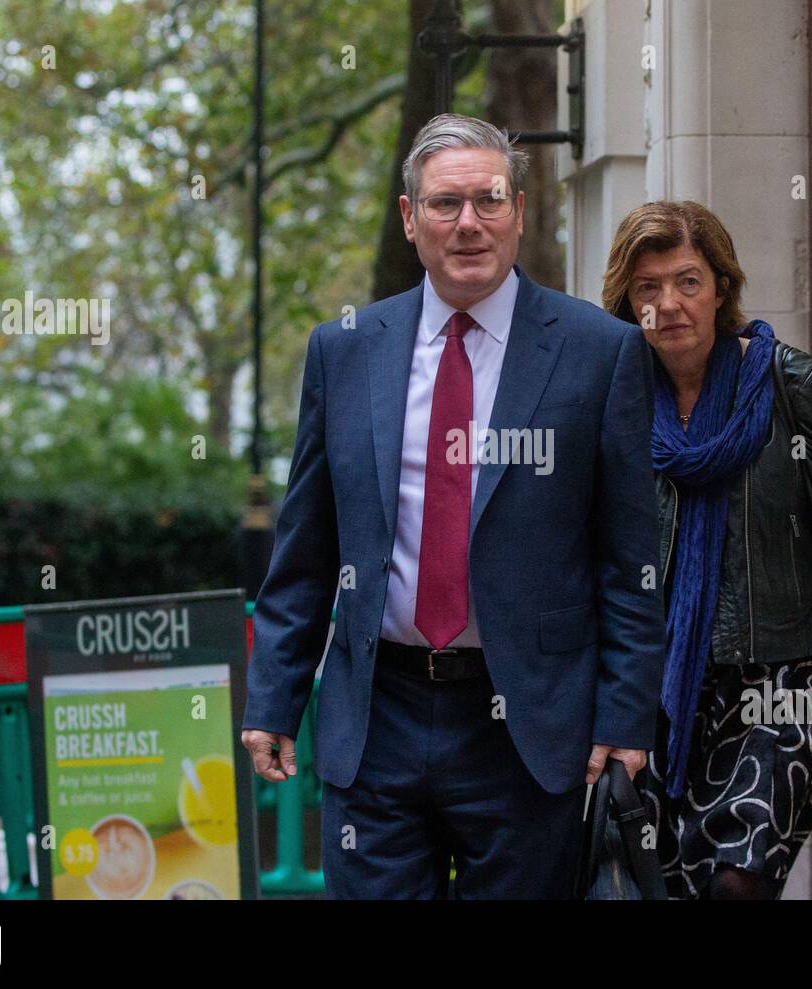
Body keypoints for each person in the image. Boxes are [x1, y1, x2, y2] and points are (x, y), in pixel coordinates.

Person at [240, 114, 666, 899]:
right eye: (445, 204)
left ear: (520, 211)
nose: (468, 222)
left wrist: (625, 719)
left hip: (529, 727)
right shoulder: (345, 348)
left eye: (488, 200)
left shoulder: (599, 351)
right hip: (376, 717)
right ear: (410, 219)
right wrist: (272, 696)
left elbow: (629, 562)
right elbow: (306, 545)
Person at [601, 200, 812, 900]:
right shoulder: (617, 401)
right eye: (648, 288)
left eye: (688, 281)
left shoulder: (791, 387)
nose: (669, 304)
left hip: (788, 684)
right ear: (627, 301)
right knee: (673, 883)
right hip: (669, 691)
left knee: (737, 882)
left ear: (721, 286)